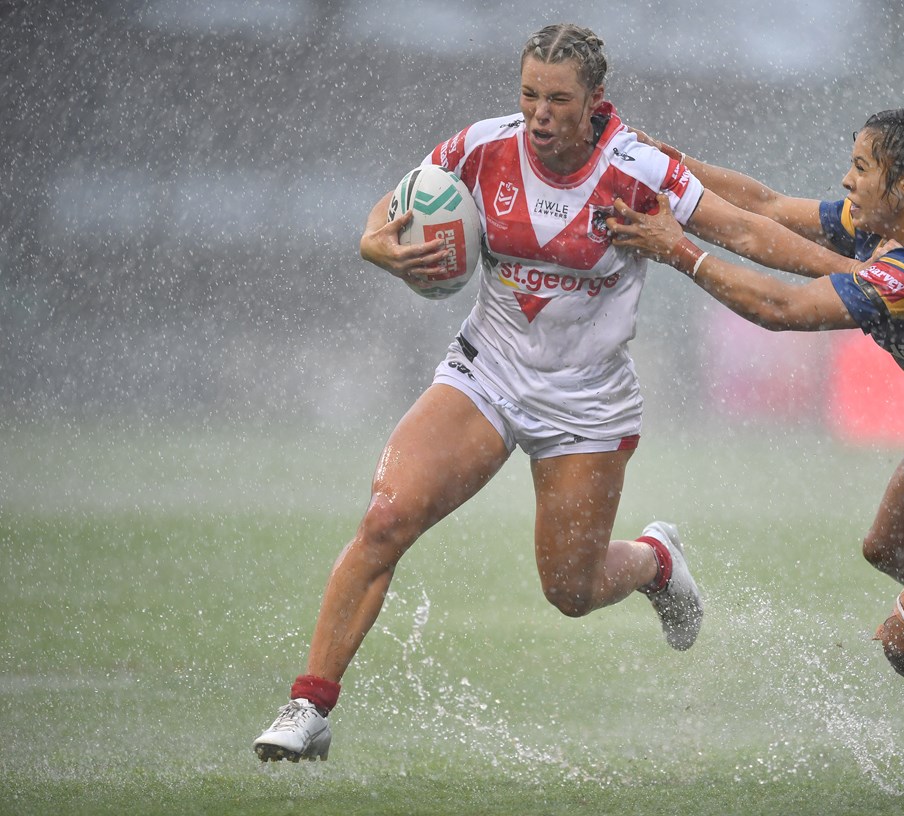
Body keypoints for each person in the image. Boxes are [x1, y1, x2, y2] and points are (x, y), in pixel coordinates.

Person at [251, 22, 843, 764]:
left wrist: (855, 283)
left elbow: (748, 232)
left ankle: (657, 560)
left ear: (595, 100)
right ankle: (310, 706)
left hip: (587, 401)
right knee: (385, 520)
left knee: (572, 589)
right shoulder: (481, 148)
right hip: (487, 372)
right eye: (528, 93)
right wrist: (378, 246)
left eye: (557, 99)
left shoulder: (639, 169)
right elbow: (391, 211)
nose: (538, 113)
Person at [606, 109, 904, 796]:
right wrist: (674, 167)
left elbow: (781, 308)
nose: (847, 179)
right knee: (889, 548)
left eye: (862, 167)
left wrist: (676, 247)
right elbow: (766, 208)